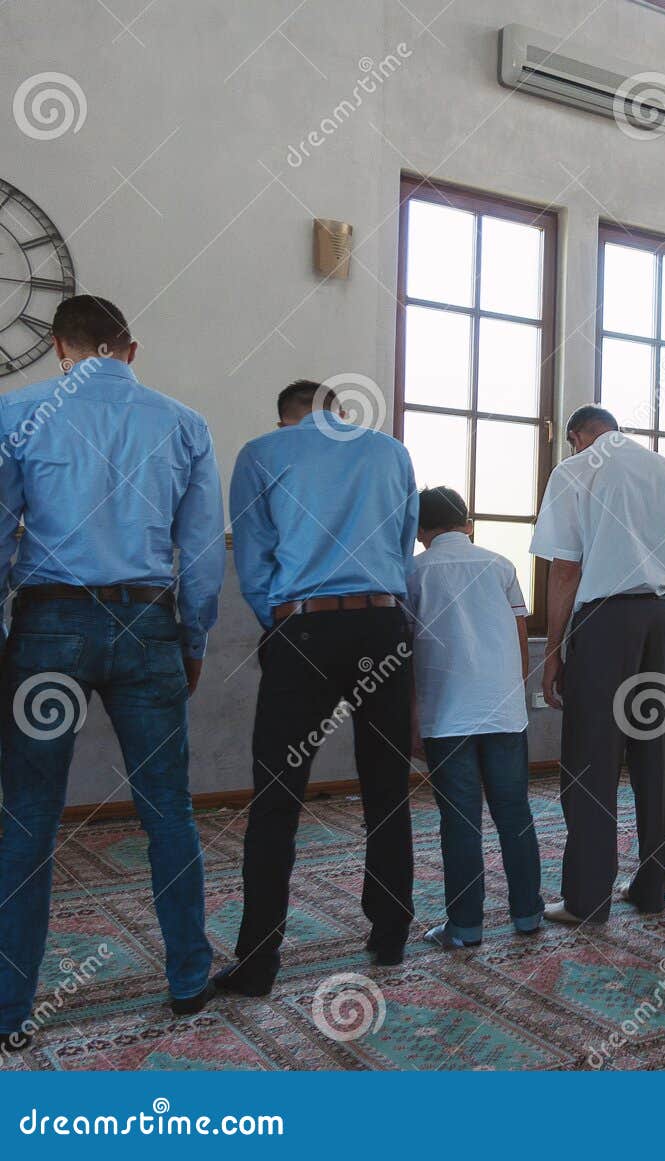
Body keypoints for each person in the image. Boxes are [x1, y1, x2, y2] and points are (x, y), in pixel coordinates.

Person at [0, 296, 224, 1049]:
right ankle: (189, 978)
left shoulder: (17, 413)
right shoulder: (183, 422)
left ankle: (8, 1007)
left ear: (60, 347)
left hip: (48, 626)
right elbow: (199, 552)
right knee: (168, 809)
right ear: (131, 348)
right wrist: (192, 637)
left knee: (28, 819)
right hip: (147, 624)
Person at [218, 379, 419, 996]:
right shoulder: (391, 452)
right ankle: (389, 935)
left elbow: (254, 561)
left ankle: (257, 962)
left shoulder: (262, 453)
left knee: (277, 796)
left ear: (287, 420)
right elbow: (403, 547)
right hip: (384, 622)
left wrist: (280, 622)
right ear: (339, 411)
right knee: (387, 785)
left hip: (304, 629)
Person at [532, 406, 665, 924]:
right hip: (658, 619)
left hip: (603, 622)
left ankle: (586, 899)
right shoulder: (664, 469)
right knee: (657, 754)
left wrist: (553, 651)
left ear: (577, 435)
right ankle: (652, 888)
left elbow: (564, 570)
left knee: (591, 761)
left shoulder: (577, 469)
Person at [407, 487, 543, 949]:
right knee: (515, 813)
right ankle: (528, 914)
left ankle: (465, 927)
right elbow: (521, 638)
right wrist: (516, 696)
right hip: (502, 710)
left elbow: (405, 654)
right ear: (466, 522)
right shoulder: (500, 565)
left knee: (460, 821)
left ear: (421, 529)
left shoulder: (413, 573)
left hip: (446, 715)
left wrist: (412, 718)